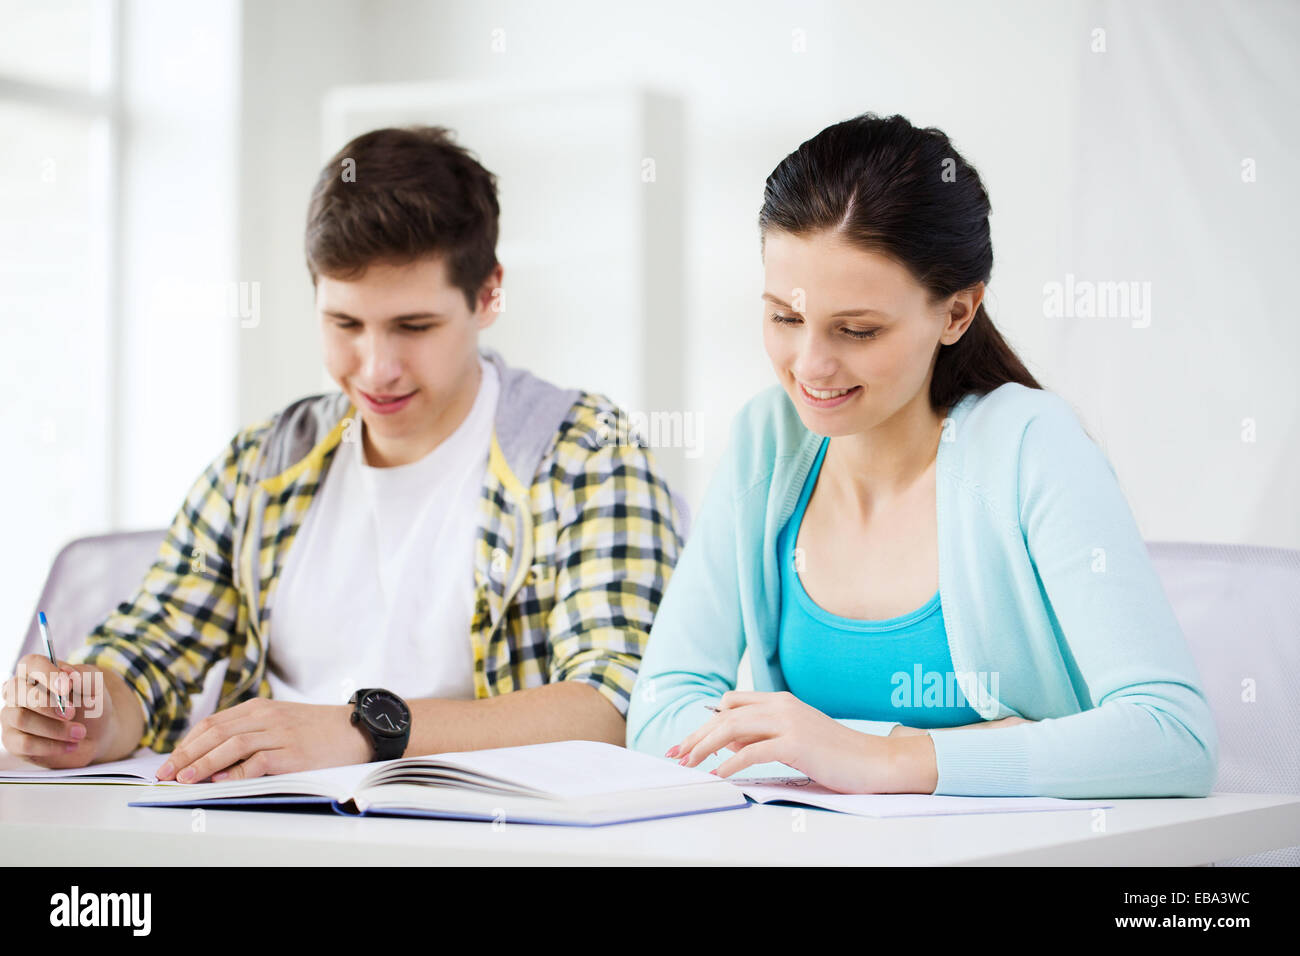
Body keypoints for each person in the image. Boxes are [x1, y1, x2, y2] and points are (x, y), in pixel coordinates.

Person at [4, 126, 683, 783]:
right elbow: (147, 660)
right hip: (274, 837)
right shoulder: (262, 466)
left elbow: (614, 706)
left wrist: (364, 730)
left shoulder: (584, 453)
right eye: (345, 324)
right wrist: (82, 717)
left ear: (487, 295)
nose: (377, 368)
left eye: (413, 327)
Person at [625, 112, 1217, 799]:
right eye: (785, 317)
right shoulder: (768, 441)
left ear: (957, 313)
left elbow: (1175, 737)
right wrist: (866, 751)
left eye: (857, 330)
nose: (810, 366)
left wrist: (881, 761)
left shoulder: (1032, 446)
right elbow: (660, 712)